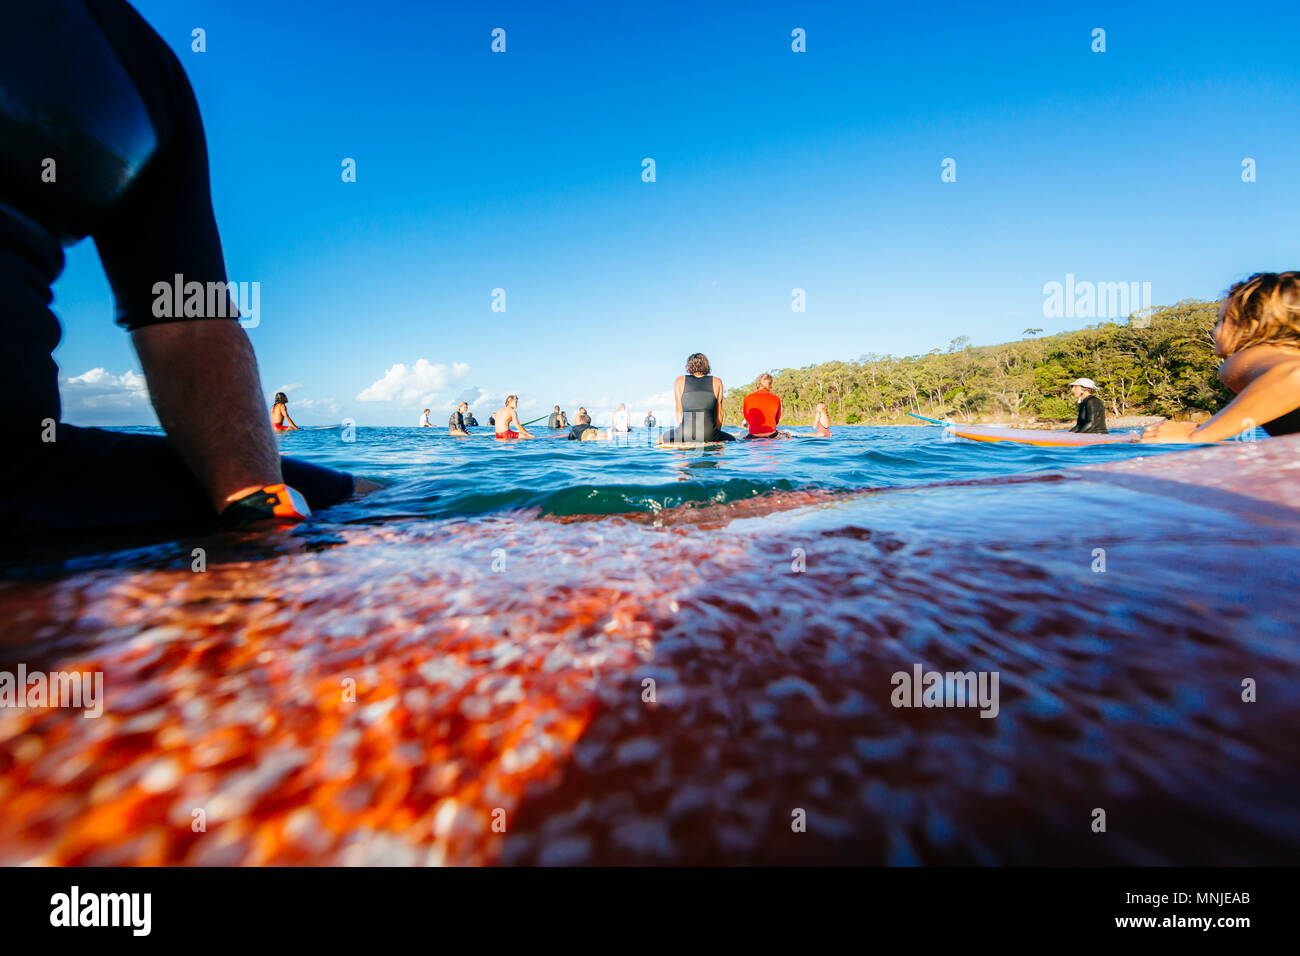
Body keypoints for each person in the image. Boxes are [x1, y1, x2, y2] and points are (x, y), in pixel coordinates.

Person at [0, 0, 367, 537]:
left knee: (361, 500)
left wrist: (260, 518)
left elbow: (189, 325)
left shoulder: (136, 66)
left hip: (17, 477)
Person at [1143, 271, 1300, 442]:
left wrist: (1196, 436)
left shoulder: (1244, 361)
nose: (1215, 331)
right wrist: (1208, 428)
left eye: (1222, 320)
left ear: (1250, 327)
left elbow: (1295, 374)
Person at [661, 353, 735, 443]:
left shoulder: (679, 381)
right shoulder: (717, 382)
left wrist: (683, 433)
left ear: (689, 365)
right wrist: (715, 434)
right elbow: (719, 413)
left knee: (660, 439)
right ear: (706, 365)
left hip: (686, 433)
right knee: (733, 439)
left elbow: (679, 411)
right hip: (710, 434)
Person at [741, 374, 790, 439]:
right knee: (788, 435)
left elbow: (747, 419)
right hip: (772, 435)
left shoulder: (747, 398)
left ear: (757, 384)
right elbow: (776, 420)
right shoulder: (776, 398)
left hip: (753, 436)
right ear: (770, 385)